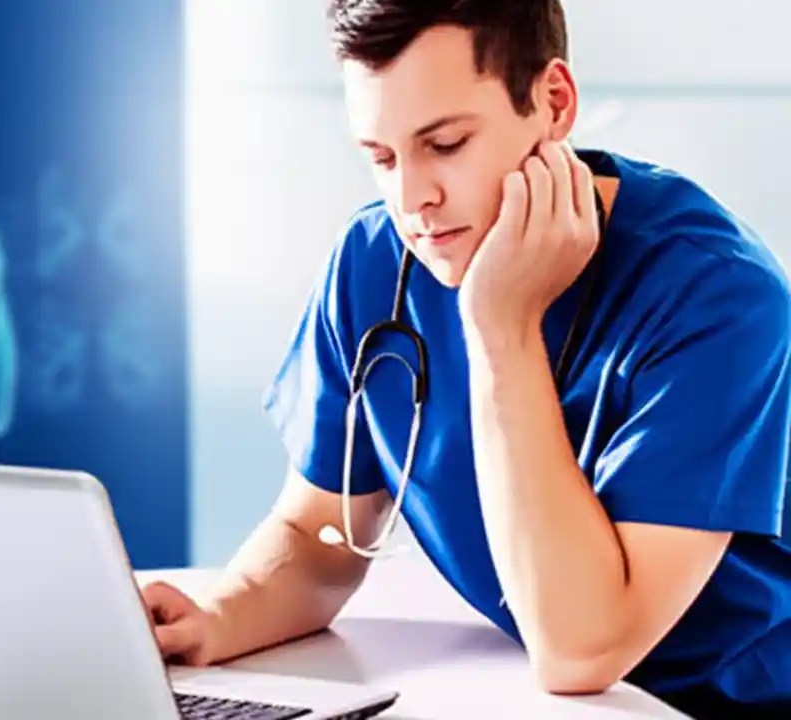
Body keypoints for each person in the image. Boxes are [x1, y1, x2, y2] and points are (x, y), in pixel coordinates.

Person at [140, 1, 791, 717]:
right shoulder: (374, 266)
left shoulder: (717, 296)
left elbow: (582, 650)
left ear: (553, 102)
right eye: (381, 158)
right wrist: (218, 618)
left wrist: (501, 327)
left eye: (445, 144)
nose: (413, 200)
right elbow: (319, 536)